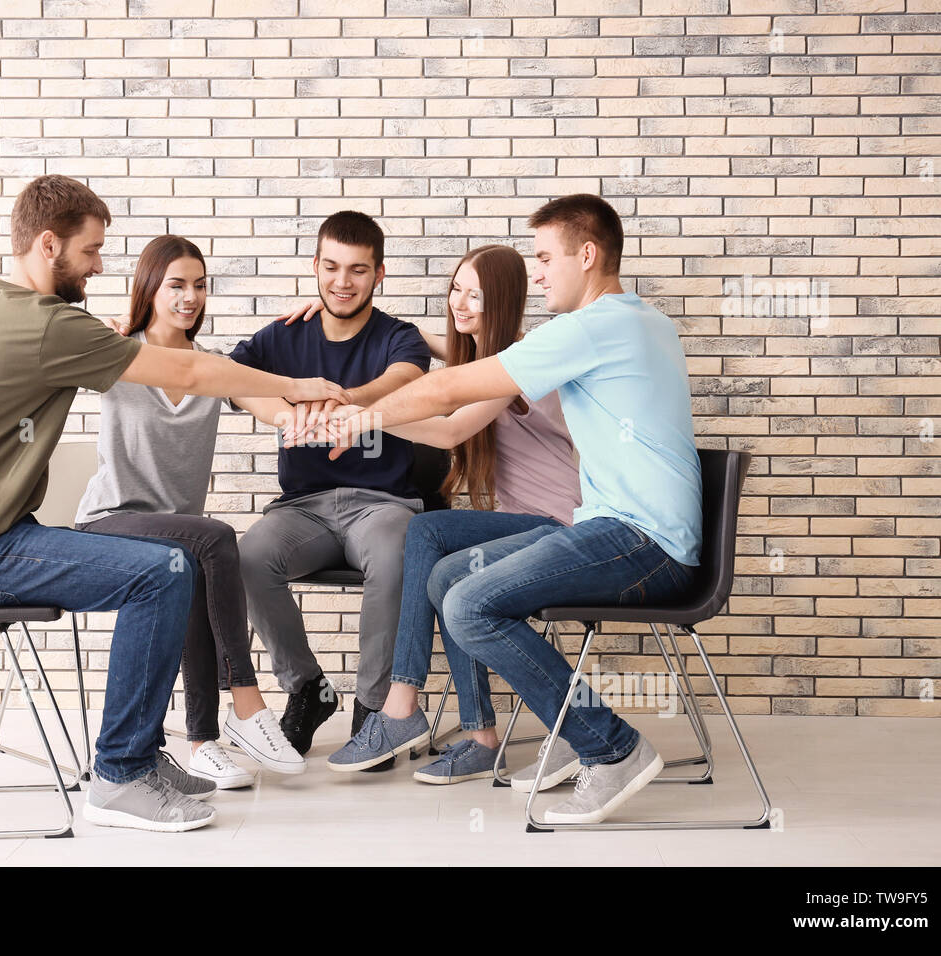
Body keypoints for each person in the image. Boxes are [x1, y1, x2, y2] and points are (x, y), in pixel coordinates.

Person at [0, 175, 346, 832]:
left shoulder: (3, 307)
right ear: (49, 245)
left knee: (177, 559)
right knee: (163, 569)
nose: (99, 263)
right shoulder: (41, 325)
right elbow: (192, 372)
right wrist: (299, 382)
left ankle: (141, 756)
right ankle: (120, 775)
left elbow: (191, 366)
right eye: (90, 250)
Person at [314, 194, 703, 824]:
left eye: (547, 258)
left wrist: (360, 414)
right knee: (448, 577)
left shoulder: (590, 328)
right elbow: (466, 361)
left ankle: (611, 748)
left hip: (640, 541)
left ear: (588, 254)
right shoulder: (641, 320)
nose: (540, 273)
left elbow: (447, 390)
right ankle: (569, 732)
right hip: (629, 532)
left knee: (468, 602)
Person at [0, 235, 307, 790]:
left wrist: (317, 417)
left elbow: (273, 408)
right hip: (110, 522)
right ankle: (247, 703)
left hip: (176, 539)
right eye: (175, 285)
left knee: (195, 555)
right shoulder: (115, 349)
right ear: (149, 288)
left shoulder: (215, 369)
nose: (189, 297)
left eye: (199, 285)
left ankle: (202, 743)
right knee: (213, 539)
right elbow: (33, 324)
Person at [282, 244, 584, 786]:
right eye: (457, 289)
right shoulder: (483, 357)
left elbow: (447, 431)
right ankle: (477, 736)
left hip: (559, 527)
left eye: (478, 295)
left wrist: (361, 418)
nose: (462, 302)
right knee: (448, 566)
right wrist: (322, 315)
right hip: (522, 525)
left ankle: (404, 707)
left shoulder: (519, 364)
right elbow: (432, 342)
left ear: (507, 302)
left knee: (427, 530)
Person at [228, 211, 432, 768]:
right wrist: (282, 416)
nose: (343, 281)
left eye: (358, 270)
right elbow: (232, 376)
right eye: (333, 267)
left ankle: (373, 711)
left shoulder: (399, 336)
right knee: (248, 556)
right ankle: (308, 688)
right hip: (304, 509)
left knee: (395, 554)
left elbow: (406, 380)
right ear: (316, 267)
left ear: (379, 274)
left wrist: (346, 400)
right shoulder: (285, 335)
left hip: (382, 506)